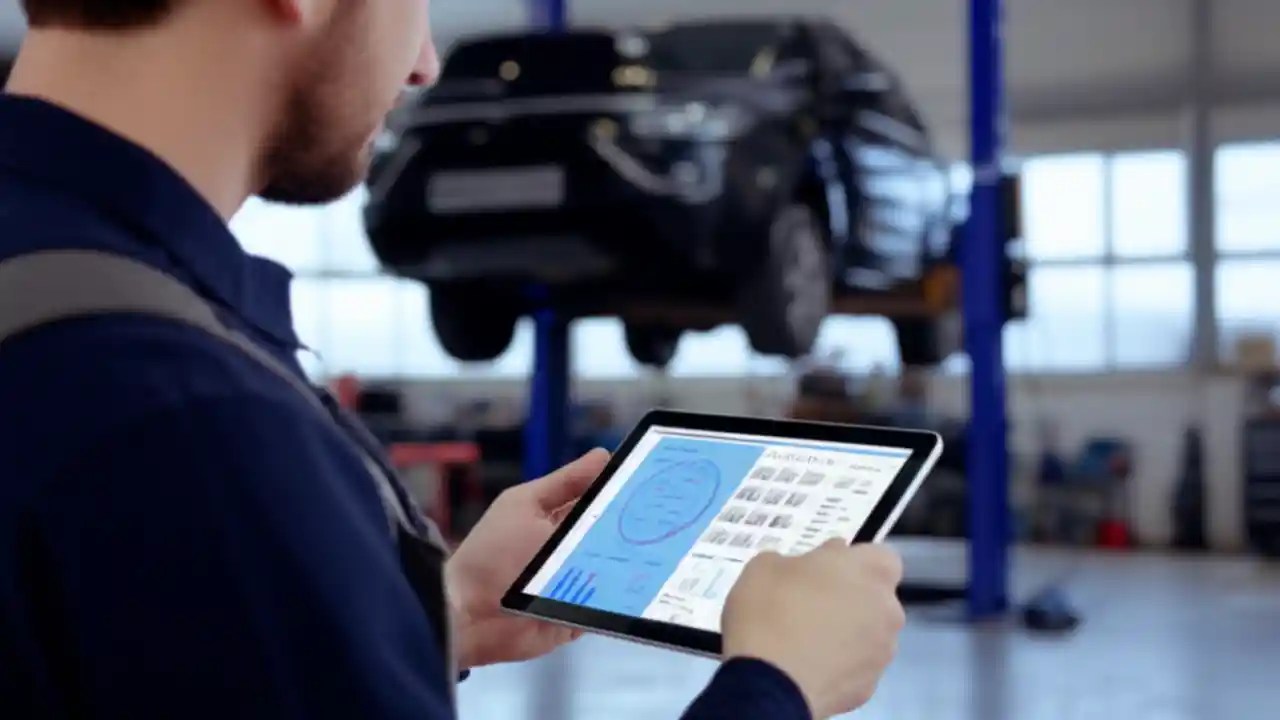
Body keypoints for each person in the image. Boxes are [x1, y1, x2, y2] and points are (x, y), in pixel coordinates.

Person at [0, 2, 907, 719]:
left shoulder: (71, 292)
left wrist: (444, 612)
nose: (424, 62)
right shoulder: (184, 413)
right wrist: (774, 686)